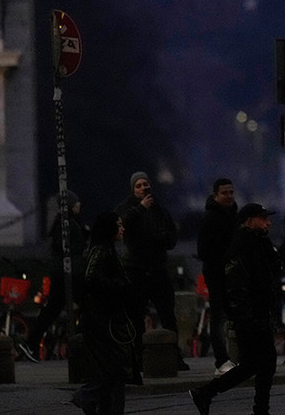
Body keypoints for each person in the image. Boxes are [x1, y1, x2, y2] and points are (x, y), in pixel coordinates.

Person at [189, 203, 282, 415]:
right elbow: (235, 286)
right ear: (249, 222)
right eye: (263, 218)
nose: (268, 222)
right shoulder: (241, 247)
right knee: (261, 363)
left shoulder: (259, 243)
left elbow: (275, 267)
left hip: (259, 315)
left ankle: (206, 394)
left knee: (256, 364)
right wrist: (247, 318)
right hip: (250, 318)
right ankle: (255, 408)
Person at [115, 171, 188, 371]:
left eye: (145, 184)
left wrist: (162, 238)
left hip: (157, 269)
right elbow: (123, 224)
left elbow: (172, 236)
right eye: (138, 185)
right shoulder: (127, 207)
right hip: (136, 269)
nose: (143, 188)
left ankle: (174, 355)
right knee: (136, 316)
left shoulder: (160, 210)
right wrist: (141, 208)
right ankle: (138, 357)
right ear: (133, 189)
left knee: (167, 314)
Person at [73, 212, 139, 415]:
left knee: (113, 368)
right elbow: (92, 278)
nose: (122, 229)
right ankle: (86, 397)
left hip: (103, 317)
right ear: (109, 228)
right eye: (118, 225)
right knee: (114, 367)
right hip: (101, 319)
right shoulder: (101, 251)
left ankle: (104, 407)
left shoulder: (104, 249)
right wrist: (121, 285)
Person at [20, 190, 88, 362]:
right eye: (76, 203)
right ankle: (83, 344)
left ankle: (31, 344)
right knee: (89, 306)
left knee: (52, 311)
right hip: (68, 275)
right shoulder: (66, 223)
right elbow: (69, 247)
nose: (79, 205)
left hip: (63, 273)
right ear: (70, 205)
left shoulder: (66, 222)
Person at [195, 178, 238, 375]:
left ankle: (235, 358)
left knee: (235, 315)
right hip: (217, 274)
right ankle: (221, 360)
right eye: (224, 193)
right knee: (219, 317)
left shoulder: (234, 216)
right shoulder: (210, 219)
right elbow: (203, 251)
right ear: (215, 195)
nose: (229, 196)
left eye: (231, 192)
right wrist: (224, 259)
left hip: (233, 274)